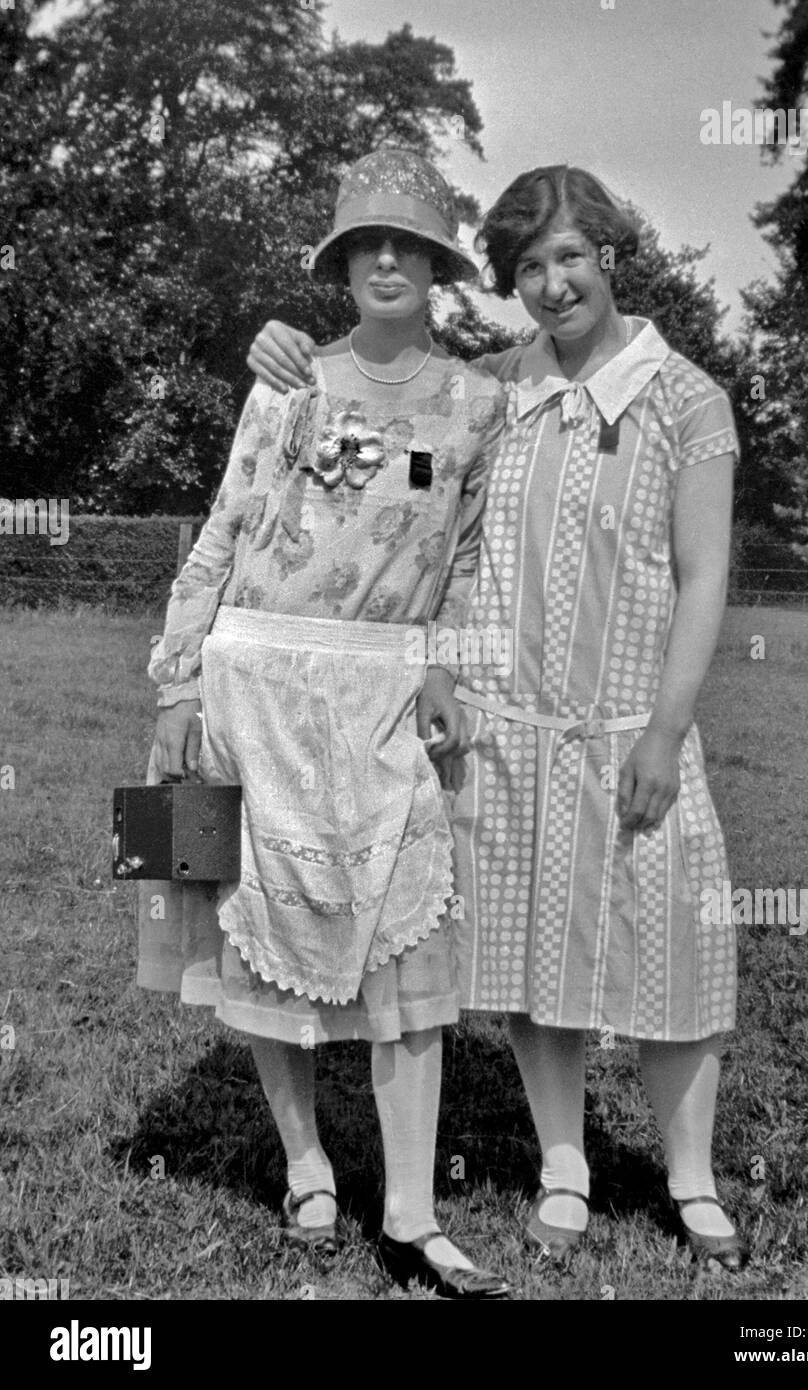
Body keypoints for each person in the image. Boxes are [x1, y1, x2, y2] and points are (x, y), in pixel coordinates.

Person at [247, 163, 748, 1271]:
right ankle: (562, 1165)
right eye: (528, 267)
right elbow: (383, 383)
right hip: (504, 726)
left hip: (631, 725)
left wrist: (666, 731)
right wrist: (281, 348)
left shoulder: (685, 398)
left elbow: (704, 574)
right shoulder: (495, 388)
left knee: (673, 954)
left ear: (610, 256)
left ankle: (692, 1176)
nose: (553, 284)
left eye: (570, 257)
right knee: (534, 963)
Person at [138, 148, 511, 1299]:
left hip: (387, 693)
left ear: (440, 267)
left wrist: (449, 673)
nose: (387, 258)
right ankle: (305, 1166)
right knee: (237, 911)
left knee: (409, 940)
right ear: (343, 265)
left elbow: (467, 566)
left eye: (410, 243)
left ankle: (408, 1207)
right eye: (367, 243)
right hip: (250, 676)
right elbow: (221, 530)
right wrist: (177, 681)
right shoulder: (286, 380)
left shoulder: (480, 401)